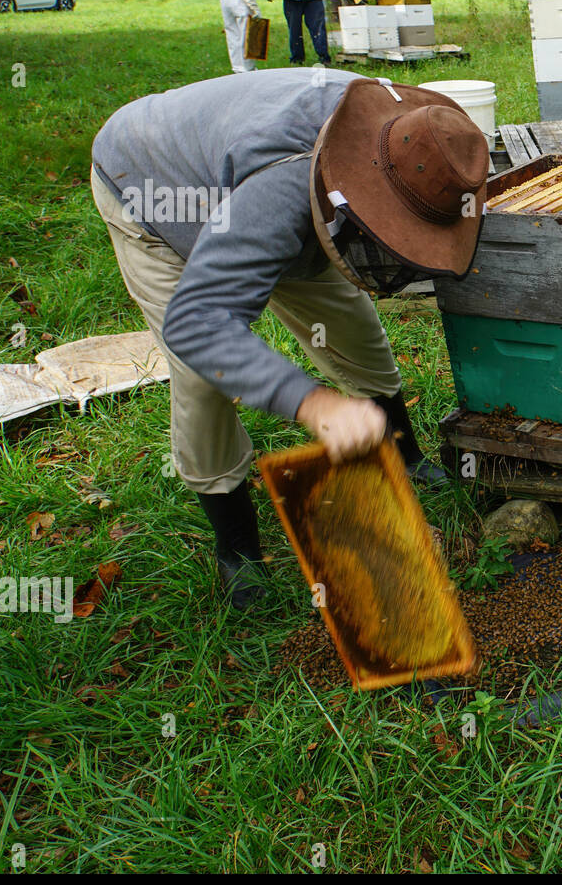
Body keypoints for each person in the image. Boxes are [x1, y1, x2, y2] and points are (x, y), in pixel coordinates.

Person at [89, 69, 490, 609]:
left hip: (263, 186)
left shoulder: (412, 138)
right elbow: (197, 322)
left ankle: (405, 453)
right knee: (203, 377)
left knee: (351, 324)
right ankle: (236, 547)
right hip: (153, 189)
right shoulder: (283, 188)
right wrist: (314, 405)